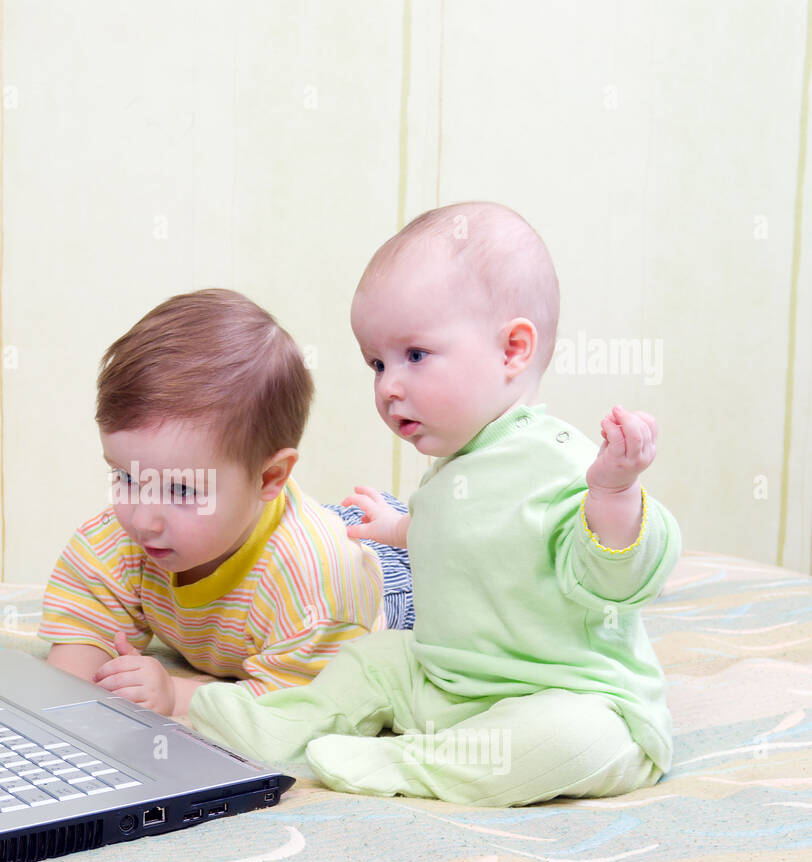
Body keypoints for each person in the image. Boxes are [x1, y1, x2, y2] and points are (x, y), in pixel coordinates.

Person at [187, 202, 682, 807]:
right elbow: (470, 538)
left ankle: (414, 763)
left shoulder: (560, 463)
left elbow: (614, 572)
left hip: (567, 693)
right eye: (376, 363)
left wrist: (615, 492)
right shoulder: (461, 464)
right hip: (449, 681)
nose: (388, 385)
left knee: (570, 739)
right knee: (372, 658)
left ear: (512, 350)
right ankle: (282, 723)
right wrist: (398, 528)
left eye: (414, 356)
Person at [38, 288, 406, 719]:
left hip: (389, 576)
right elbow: (76, 656)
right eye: (127, 478)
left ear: (269, 477)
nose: (142, 518)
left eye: (180, 490)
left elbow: (302, 707)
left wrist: (180, 697)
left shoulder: (318, 586)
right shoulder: (117, 542)